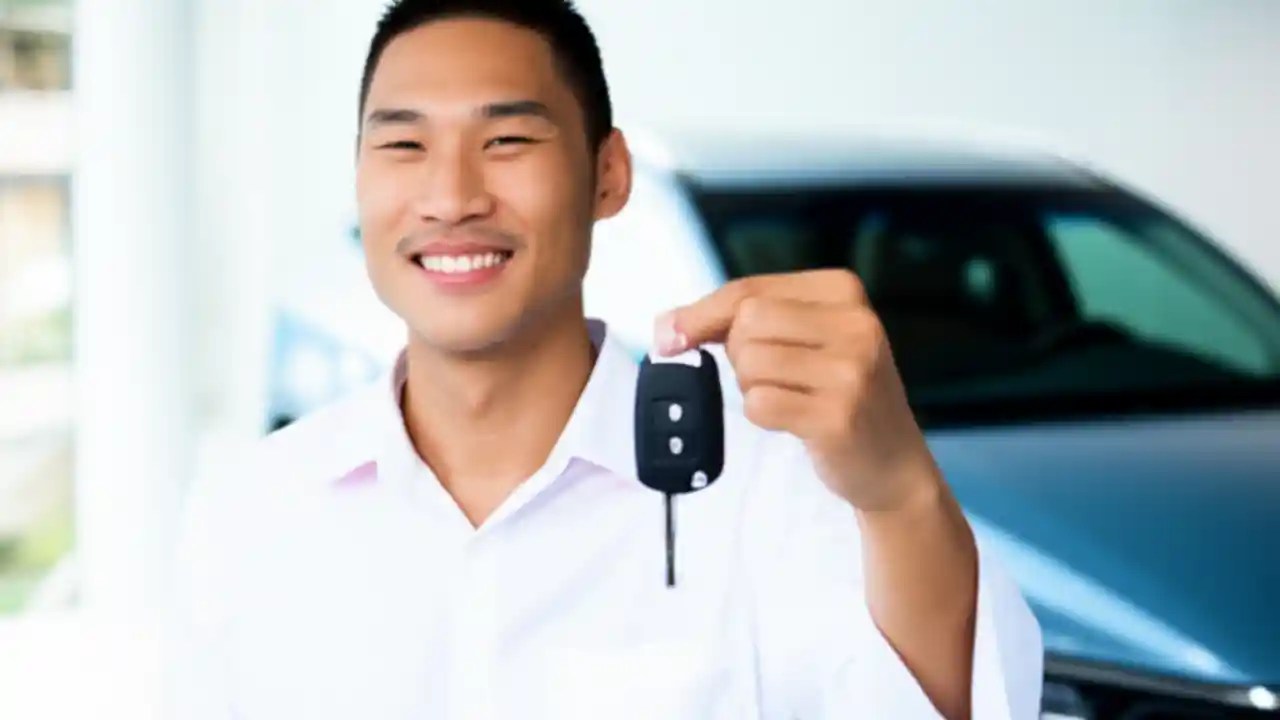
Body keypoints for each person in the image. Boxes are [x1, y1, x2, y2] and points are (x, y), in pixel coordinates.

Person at [170, 1, 1043, 718]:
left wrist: (899, 490)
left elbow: (951, 706)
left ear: (607, 175)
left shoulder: (770, 490)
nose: (451, 197)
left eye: (507, 141)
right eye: (403, 145)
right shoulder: (250, 512)